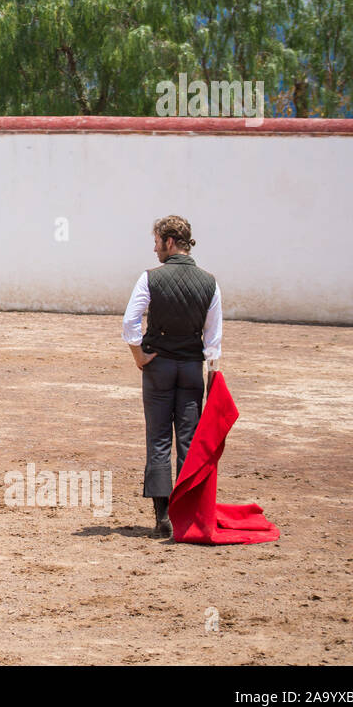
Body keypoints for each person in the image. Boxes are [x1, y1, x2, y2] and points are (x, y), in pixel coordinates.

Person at [121, 215, 222, 538]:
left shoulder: (151, 278)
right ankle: (189, 518)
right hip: (192, 368)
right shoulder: (210, 282)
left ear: (168, 241)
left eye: (156, 242)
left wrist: (139, 356)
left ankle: (162, 518)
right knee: (190, 443)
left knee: (159, 439)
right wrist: (212, 378)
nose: (154, 249)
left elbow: (130, 322)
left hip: (159, 367)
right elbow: (213, 338)